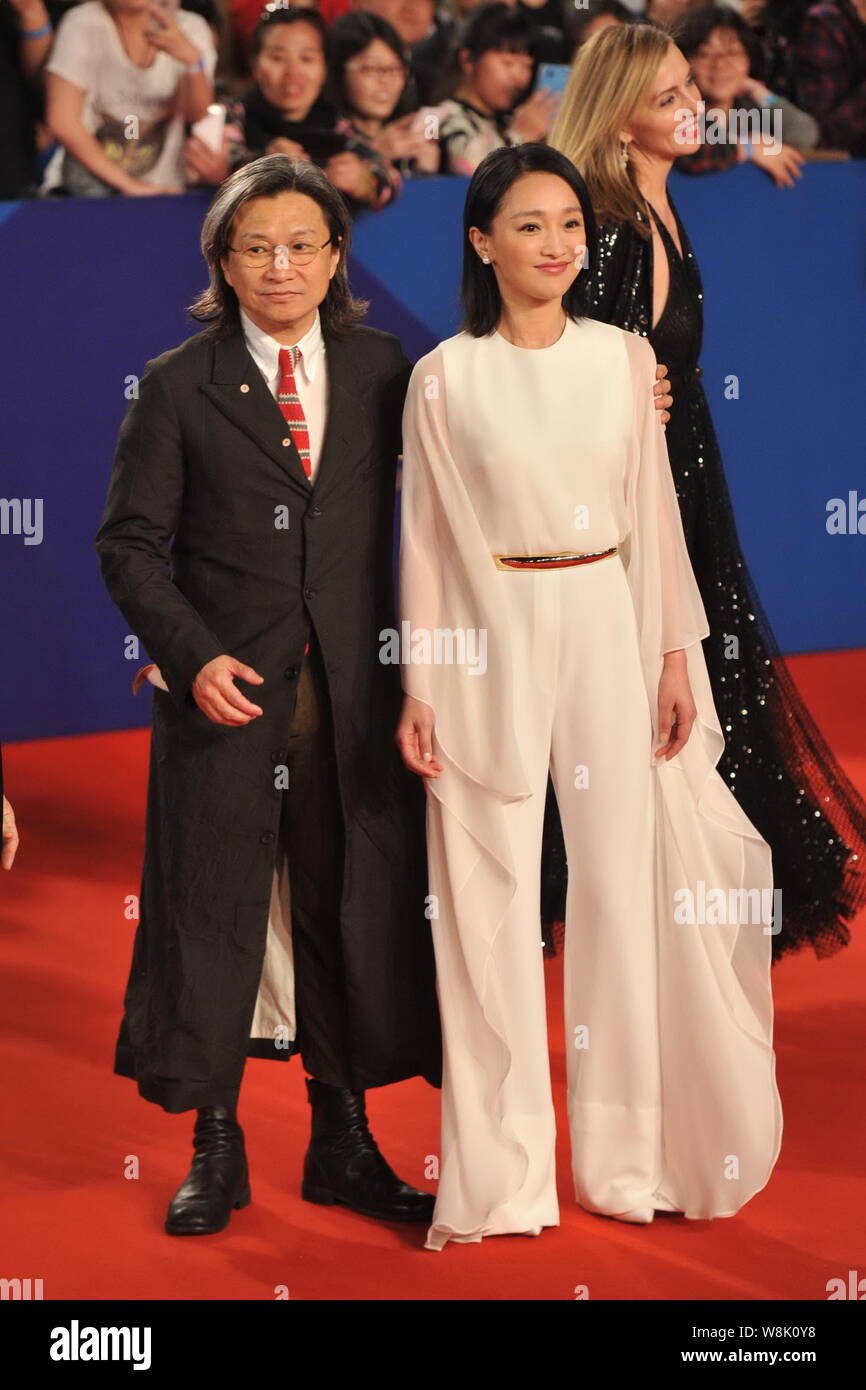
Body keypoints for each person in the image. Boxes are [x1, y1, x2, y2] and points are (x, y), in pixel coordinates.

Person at [397, 142, 782, 1248]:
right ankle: (503, 1177)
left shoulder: (622, 359)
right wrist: (421, 679)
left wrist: (671, 654)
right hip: (486, 631)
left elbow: (652, 513)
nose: (557, 244)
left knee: (621, 896)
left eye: (569, 223)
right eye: (528, 224)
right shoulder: (443, 377)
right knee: (487, 902)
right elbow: (422, 540)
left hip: (610, 626)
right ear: (481, 241)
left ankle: (623, 1160)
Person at [95, 154, 441, 1236]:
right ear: (223, 263)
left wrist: (637, 385)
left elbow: (471, 473)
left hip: (352, 703)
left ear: (336, 256)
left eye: (301, 244)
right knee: (214, 922)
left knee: (348, 913)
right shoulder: (176, 384)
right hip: (225, 704)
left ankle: (342, 1142)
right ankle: (215, 1146)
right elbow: (128, 545)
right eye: (256, 247)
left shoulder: (390, 368)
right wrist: (188, 652)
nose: (280, 264)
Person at [541, 23, 866, 961]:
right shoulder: (606, 224)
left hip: (682, 468)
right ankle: (655, 893)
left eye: (692, 89)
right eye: (668, 99)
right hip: (640, 488)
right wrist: (622, 394)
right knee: (668, 681)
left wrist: (746, 137)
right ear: (621, 118)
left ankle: (692, 886)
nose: (692, 107)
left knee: (707, 679)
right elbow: (565, 358)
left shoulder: (656, 197)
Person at [42, 0, 216, 197]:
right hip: (85, 189)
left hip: (163, 188)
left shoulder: (191, 27)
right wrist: (129, 185)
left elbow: (197, 114)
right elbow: (63, 121)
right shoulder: (82, 23)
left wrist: (193, 61)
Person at [673, 5, 815, 185]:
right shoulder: (677, 112)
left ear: (749, 59)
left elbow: (803, 135)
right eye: (705, 54)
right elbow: (690, 151)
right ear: (685, 63)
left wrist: (756, 90)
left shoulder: (750, 110)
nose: (720, 64)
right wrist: (747, 148)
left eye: (732, 53)